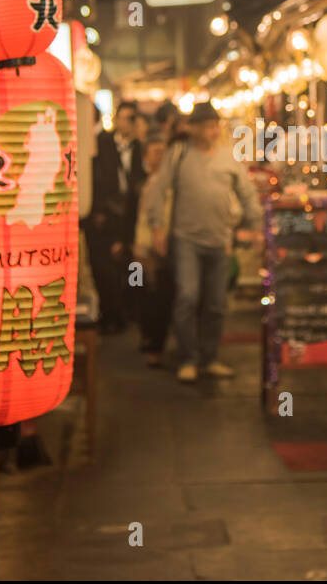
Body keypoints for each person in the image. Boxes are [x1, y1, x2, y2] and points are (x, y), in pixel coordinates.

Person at [148, 101, 262, 382]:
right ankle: (188, 358)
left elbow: (246, 193)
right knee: (187, 296)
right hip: (185, 239)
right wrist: (157, 227)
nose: (213, 130)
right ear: (194, 128)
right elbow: (159, 189)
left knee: (215, 303)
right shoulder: (179, 154)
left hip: (220, 240)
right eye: (208, 125)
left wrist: (257, 226)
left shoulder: (228, 157)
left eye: (216, 125)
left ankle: (209, 358)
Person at [87, 100, 145, 333]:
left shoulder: (141, 148)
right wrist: (99, 210)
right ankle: (111, 312)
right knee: (106, 268)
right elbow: (95, 179)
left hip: (132, 216)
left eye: (132, 118)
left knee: (133, 266)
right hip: (107, 215)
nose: (127, 123)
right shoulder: (102, 144)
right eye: (123, 117)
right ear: (117, 119)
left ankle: (132, 309)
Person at [134, 129, 173, 367]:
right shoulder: (141, 183)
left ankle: (156, 345)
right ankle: (147, 336)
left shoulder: (171, 184)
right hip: (139, 249)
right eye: (155, 152)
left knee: (159, 296)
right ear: (146, 157)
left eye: (163, 152)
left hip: (160, 248)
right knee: (140, 292)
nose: (159, 157)